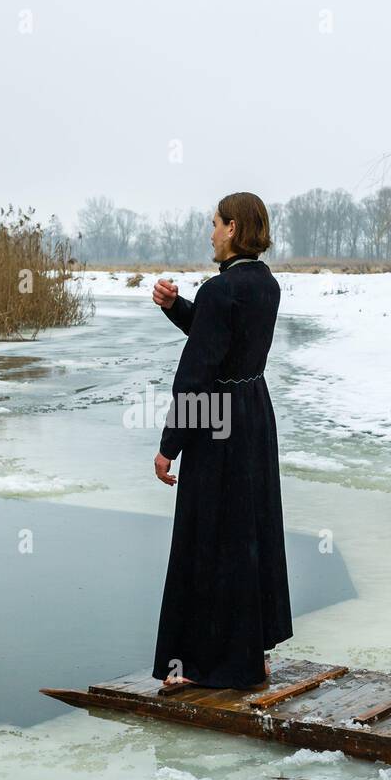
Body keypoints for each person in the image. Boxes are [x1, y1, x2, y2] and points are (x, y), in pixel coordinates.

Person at [149, 192, 292, 688]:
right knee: (249, 529)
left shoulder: (219, 289)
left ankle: (202, 663)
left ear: (233, 229)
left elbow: (196, 373)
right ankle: (255, 651)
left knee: (208, 534)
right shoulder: (265, 285)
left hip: (215, 420)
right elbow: (223, 335)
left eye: (214, 224)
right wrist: (177, 308)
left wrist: (170, 445)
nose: (210, 233)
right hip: (253, 412)